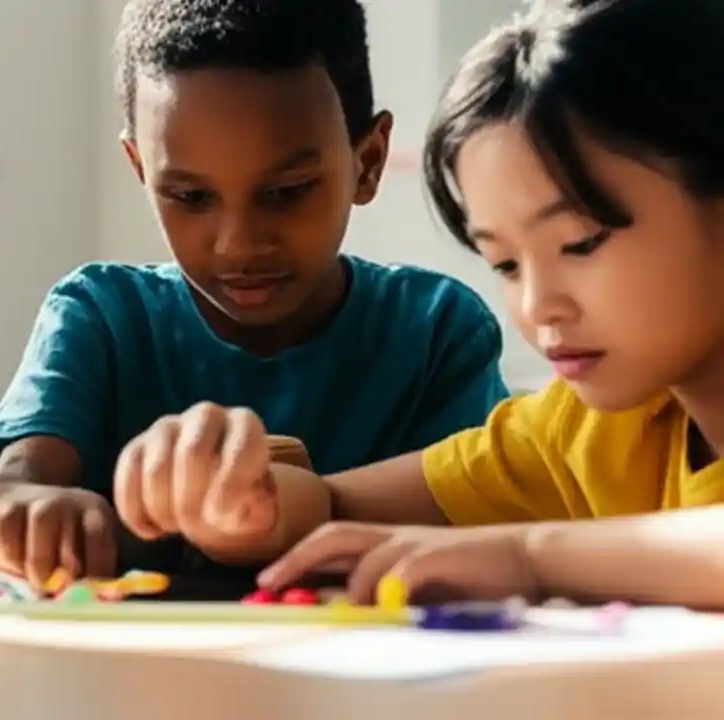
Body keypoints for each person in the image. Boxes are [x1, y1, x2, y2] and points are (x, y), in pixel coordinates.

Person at [115, 0, 724, 609]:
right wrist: (242, 500)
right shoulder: (588, 430)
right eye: (505, 264)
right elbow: (335, 504)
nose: (538, 306)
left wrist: (528, 558)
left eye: (580, 243)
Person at [0, 0, 508, 586]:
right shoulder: (100, 317)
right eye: (190, 197)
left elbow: (467, 543)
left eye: (287, 192)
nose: (237, 246)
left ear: (366, 162)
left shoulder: (436, 331)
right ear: (141, 168)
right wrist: (24, 508)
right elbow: (21, 478)